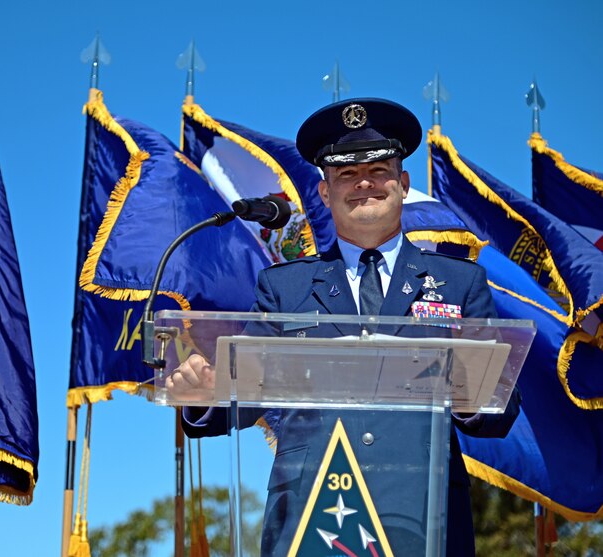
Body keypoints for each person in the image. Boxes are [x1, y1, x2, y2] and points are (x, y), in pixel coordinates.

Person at [167, 98, 521, 556]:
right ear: (324, 192)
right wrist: (207, 395)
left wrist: (474, 391)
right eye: (347, 174)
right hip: (311, 518)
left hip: (424, 518)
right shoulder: (284, 287)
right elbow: (245, 393)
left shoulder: (459, 281)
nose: (364, 183)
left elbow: (499, 407)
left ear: (403, 184)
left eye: (378, 170)